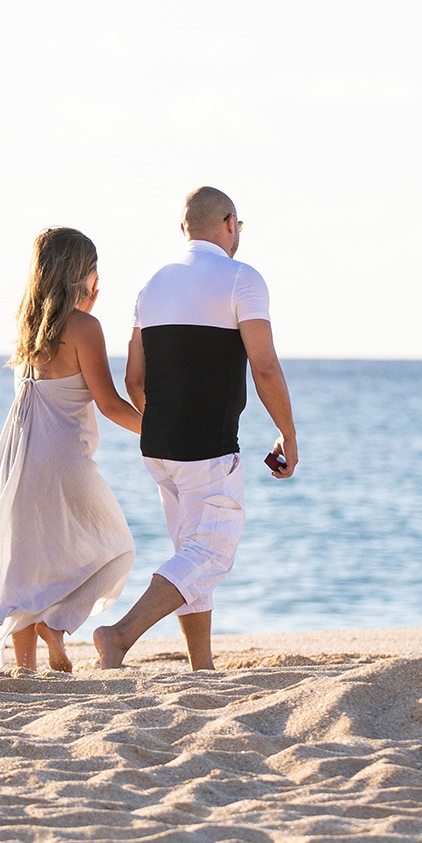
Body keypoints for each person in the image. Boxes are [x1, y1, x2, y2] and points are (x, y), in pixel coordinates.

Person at [94, 187, 297, 671]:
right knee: (210, 553)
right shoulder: (241, 279)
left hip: (158, 447)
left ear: (184, 229)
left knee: (191, 552)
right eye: (239, 227)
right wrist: (289, 434)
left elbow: (133, 380)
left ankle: (200, 665)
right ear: (229, 223)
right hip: (206, 447)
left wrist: (162, 425)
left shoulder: (153, 285)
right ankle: (119, 636)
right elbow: (264, 366)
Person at [0, 227, 142, 675]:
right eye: (94, 270)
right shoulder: (85, 327)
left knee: (24, 560)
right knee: (113, 545)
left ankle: (28, 666)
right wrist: (159, 433)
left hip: (17, 455)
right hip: (63, 457)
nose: (98, 280)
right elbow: (108, 404)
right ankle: (56, 626)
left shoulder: (28, 327)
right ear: (79, 273)